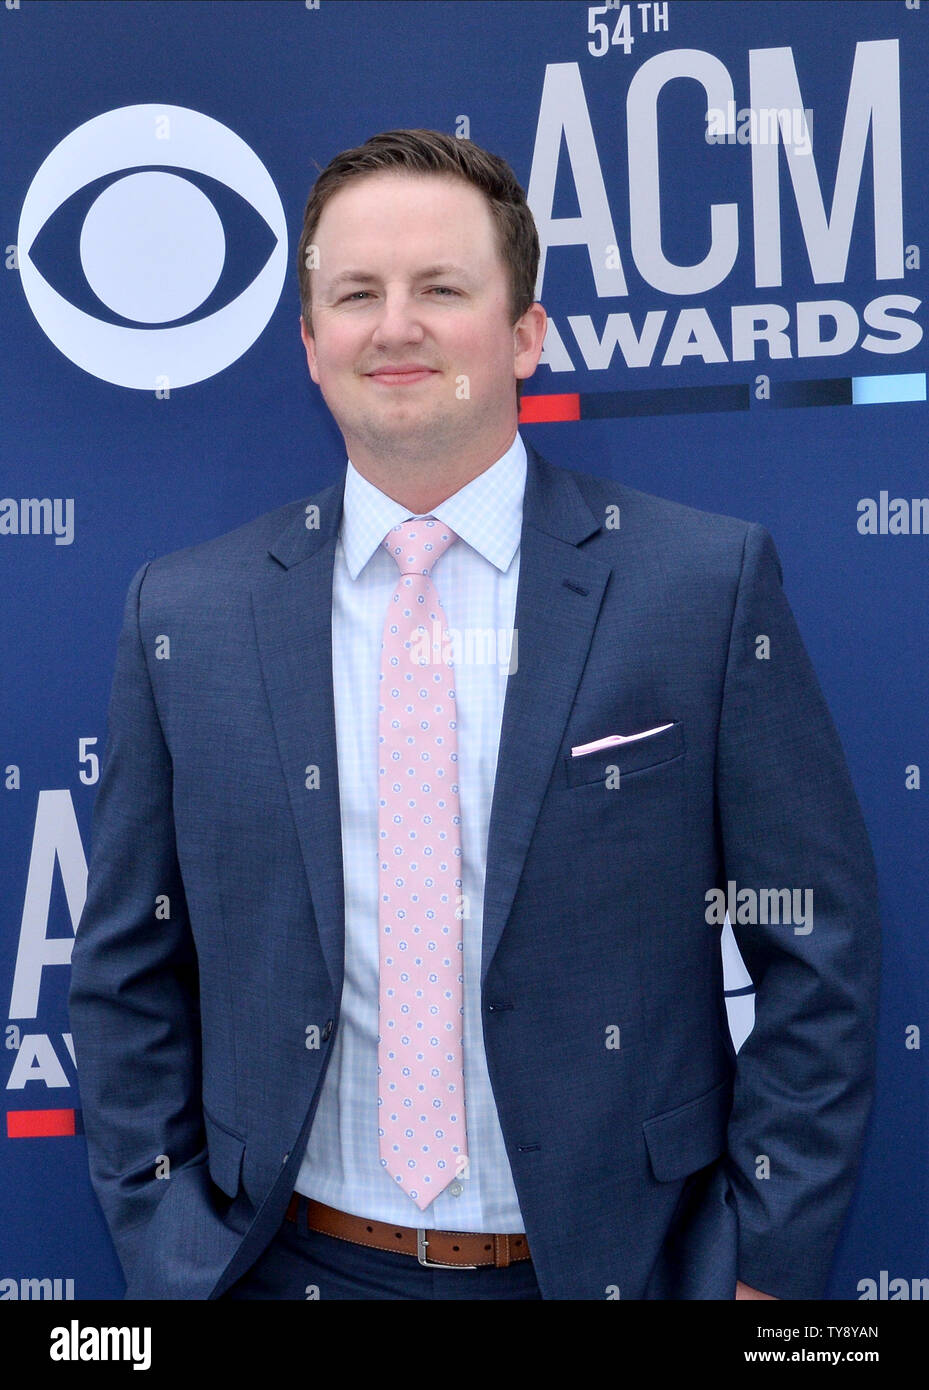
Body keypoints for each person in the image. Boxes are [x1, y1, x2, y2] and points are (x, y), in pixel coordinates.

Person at [68, 129, 880, 1301]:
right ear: (309, 343)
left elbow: (816, 945)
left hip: (613, 1272)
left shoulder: (700, 587)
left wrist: (757, 1270)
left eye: (440, 288)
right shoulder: (182, 611)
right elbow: (124, 971)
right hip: (282, 1266)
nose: (394, 326)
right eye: (355, 293)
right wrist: (165, 1252)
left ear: (523, 336)